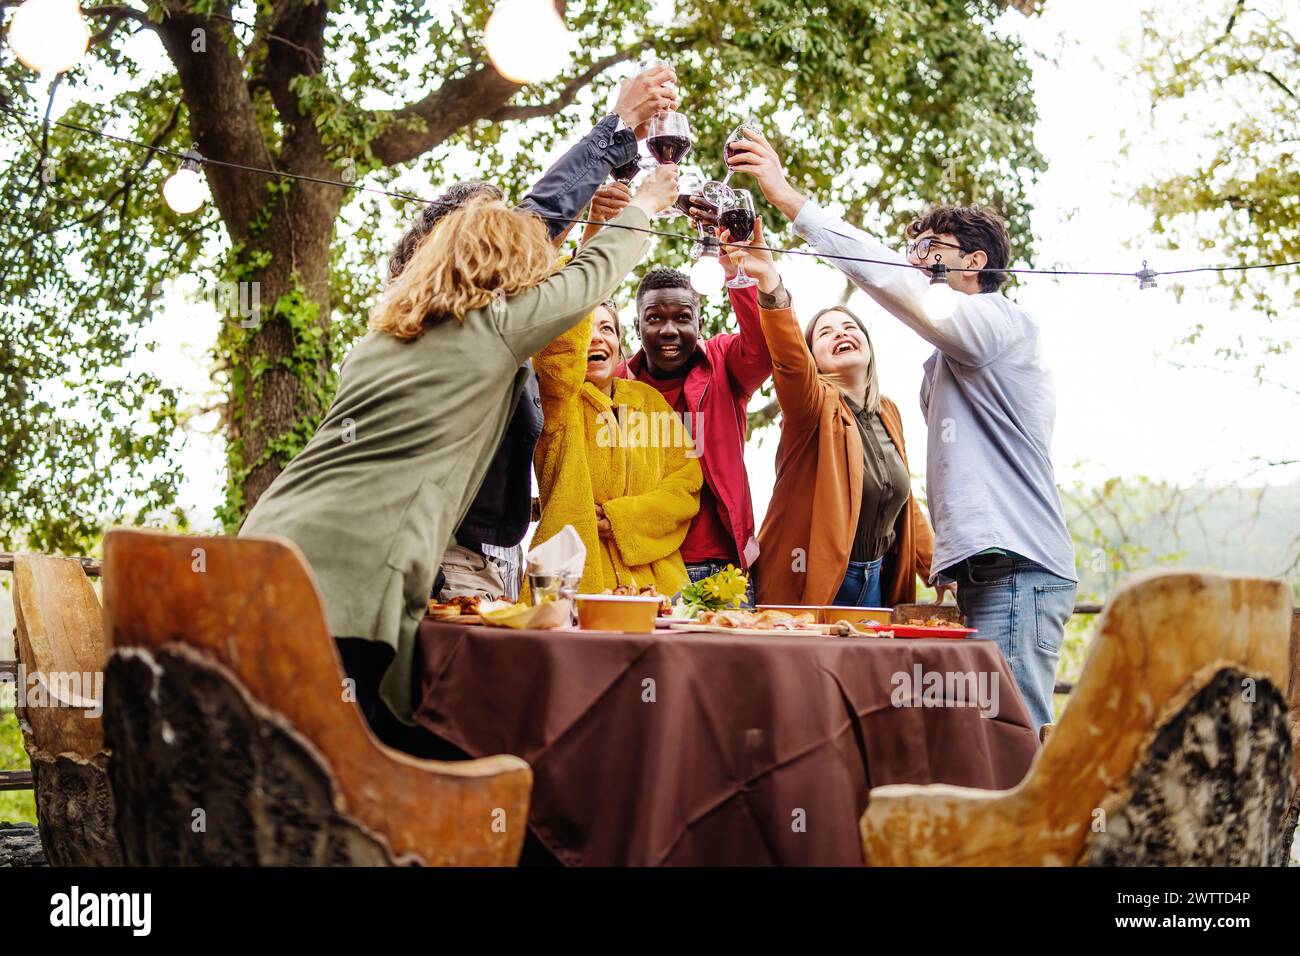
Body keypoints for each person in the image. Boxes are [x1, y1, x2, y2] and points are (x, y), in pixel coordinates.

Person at [239, 168, 678, 750]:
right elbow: (591, 277)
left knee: (273, 755)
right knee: (362, 762)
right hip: (351, 583)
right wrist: (645, 202)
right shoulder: (494, 328)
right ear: (508, 270)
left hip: (263, 550)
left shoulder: (380, 340)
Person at [728, 130, 1076, 730]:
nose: (914, 257)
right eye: (910, 245)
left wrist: (789, 199)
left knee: (1012, 735)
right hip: (978, 575)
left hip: (1014, 572)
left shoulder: (996, 324)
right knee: (984, 737)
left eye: (930, 247)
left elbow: (893, 282)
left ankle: (1041, 828)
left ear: (975, 262)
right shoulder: (944, 366)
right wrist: (941, 560)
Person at [386, 64, 677, 602]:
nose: (517, 242)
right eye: (497, 228)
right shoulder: (461, 325)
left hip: (491, 557)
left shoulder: (458, 332)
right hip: (437, 559)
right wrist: (620, 130)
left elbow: (558, 295)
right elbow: (539, 219)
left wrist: (593, 230)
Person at [716, 222, 936, 608]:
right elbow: (790, 362)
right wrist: (770, 283)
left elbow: (903, 502)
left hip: (877, 582)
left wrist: (937, 569)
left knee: (868, 670)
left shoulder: (888, 411)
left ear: (868, 347)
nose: (841, 333)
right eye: (826, 333)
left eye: (850, 327)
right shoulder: (812, 404)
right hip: (812, 577)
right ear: (813, 358)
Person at [617, 266, 771, 601]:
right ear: (637, 327)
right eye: (654, 318)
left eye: (683, 318)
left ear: (699, 326)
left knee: (729, 655)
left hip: (720, 567)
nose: (669, 330)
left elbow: (762, 349)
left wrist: (739, 275)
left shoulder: (723, 363)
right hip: (644, 566)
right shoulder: (617, 387)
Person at [529, 299, 702, 595]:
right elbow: (555, 356)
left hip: (658, 586)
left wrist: (622, 519)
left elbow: (687, 485)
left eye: (606, 328)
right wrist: (578, 270)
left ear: (619, 345)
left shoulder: (652, 402)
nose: (596, 337)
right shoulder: (555, 400)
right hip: (572, 581)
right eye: (582, 328)